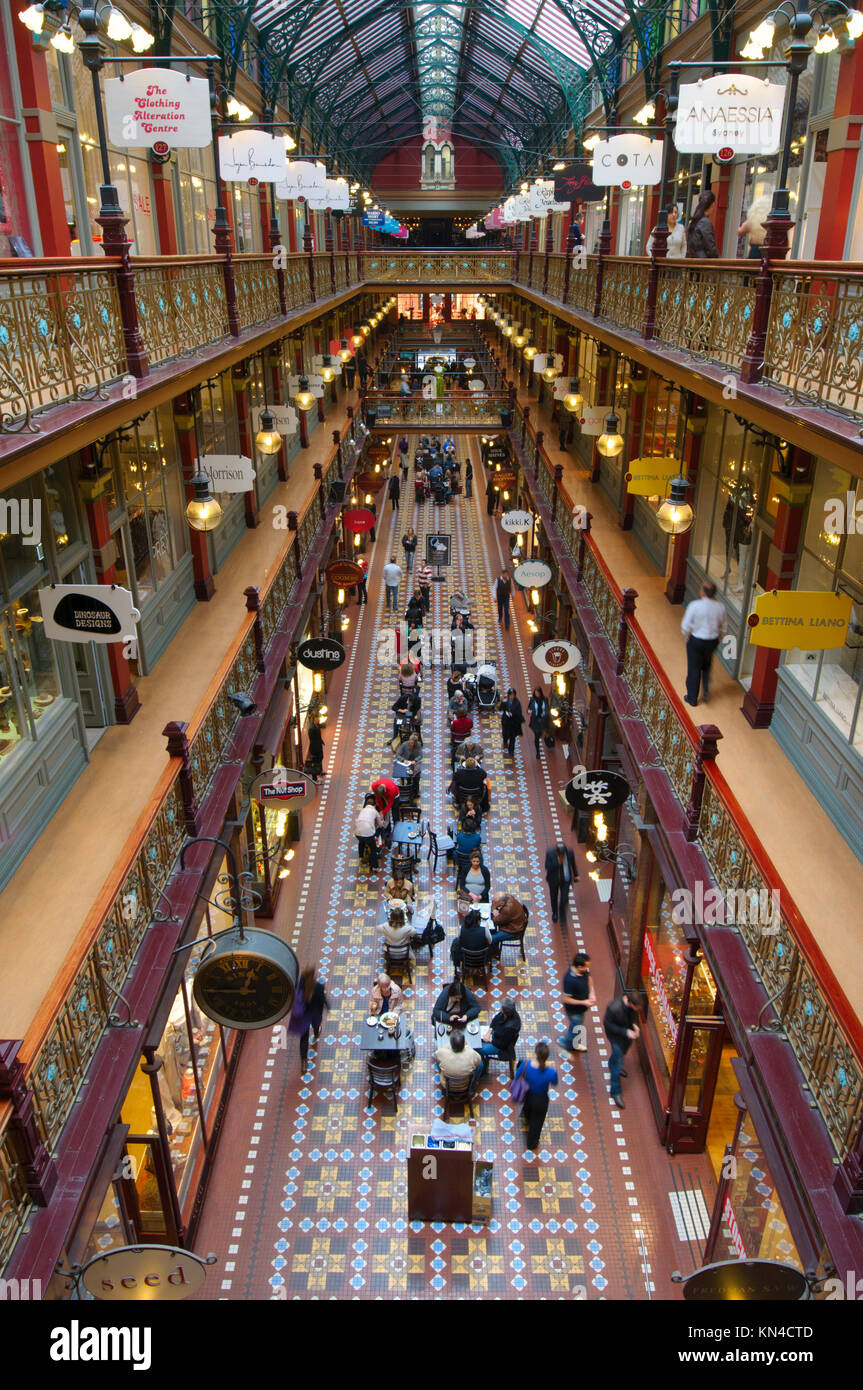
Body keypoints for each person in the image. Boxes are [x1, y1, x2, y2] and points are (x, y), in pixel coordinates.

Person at [681, 580, 728, 706]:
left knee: (694, 668)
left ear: (703, 592)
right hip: (712, 641)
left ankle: (692, 698)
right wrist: (718, 639)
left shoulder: (695, 606)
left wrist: (687, 636)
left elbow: (685, 626)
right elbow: (724, 627)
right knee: (707, 665)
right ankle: (705, 691)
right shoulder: (721, 607)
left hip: (696, 640)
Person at [518, 1042, 558, 1152]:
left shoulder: (526, 1065)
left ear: (535, 1053)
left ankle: (526, 1118)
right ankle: (531, 1144)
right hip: (541, 1099)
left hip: (528, 1095)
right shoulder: (551, 1072)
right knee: (537, 1122)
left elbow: (517, 1076)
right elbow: (554, 1083)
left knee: (528, 1109)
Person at [604, 990, 641, 1108]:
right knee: (618, 1062)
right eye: (636, 1007)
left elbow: (634, 1015)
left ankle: (612, 1063)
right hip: (616, 1037)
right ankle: (615, 1092)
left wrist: (635, 1025)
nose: (636, 1009)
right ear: (630, 1003)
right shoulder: (614, 1008)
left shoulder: (632, 1006)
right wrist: (626, 1032)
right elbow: (608, 1025)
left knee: (618, 1056)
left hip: (626, 1037)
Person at [288, 965, 331, 1065]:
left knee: (304, 1038)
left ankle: (304, 1061)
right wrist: (327, 1007)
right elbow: (322, 999)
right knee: (316, 1025)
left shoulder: (299, 985)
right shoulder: (318, 986)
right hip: (315, 1013)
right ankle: (316, 1033)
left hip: (303, 1015)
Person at [559, 951, 595, 1052]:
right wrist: (584, 1002)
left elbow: (589, 978)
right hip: (574, 1011)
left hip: (581, 1009)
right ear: (579, 967)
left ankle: (567, 1040)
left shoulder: (584, 972)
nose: (587, 968)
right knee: (576, 1027)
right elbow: (566, 999)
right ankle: (570, 1045)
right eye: (586, 967)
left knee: (577, 1026)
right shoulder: (569, 980)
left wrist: (592, 993)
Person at [479, 998, 522, 1073]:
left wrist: (490, 1040)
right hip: (496, 1037)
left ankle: (481, 1069)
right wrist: (489, 1032)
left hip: (499, 1046)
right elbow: (496, 1018)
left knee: (478, 1048)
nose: (500, 1009)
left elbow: (501, 1044)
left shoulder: (510, 1028)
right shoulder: (508, 1013)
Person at [545, 842, 578, 924]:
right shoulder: (550, 854)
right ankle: (555, 913)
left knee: (565, 898)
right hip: (554, 880)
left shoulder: (570, 853)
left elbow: (573, 864)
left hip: (566, 880)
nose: (562, 856)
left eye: (563, 854)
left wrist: (576, 874)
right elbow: (547, 867)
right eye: (560, 854)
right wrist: (557, 863)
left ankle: (562, 913)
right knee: (554, 897)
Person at [686, 189, 719, 258]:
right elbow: (710, 246)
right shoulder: (705, 222)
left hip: (694, 259)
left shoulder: (696, 219)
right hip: (703, 261)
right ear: (713, 204)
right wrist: (718, 259)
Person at [737, 193, 771, 258]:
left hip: (755, 254)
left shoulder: (752, 221)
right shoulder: (772, 221)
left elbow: (740, 232)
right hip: (770, 255)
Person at [355, 794, 383, 872]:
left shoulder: (362, 810)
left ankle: (361, 858)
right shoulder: (375, 811)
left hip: (357, 832)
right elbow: (380, 824)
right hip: (368, 834)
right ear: (374, 805)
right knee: (373, 849)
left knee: (361, 842)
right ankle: (375, 867)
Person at [500, 688, 524, 756]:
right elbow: (500, 709)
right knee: (505, 733)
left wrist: (513, 714)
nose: (511, 697)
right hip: (506, 722)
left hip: (513, 723)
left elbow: (519, 712)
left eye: (513, 695)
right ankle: (505, 740)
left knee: (512, 737)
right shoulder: (505, 700)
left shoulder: (517, 703)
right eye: (510, 695)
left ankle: (511, 750)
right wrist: (503, 702)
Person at [527, 686, 550, 759]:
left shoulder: (545, 699)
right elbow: (529, 708)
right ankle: (538, 752)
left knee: (540, 733)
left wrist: (546, 715)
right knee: (536, 735)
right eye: (535, 693)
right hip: (535, 720)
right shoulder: (532, 699)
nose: (537, 694)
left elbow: (547, 708)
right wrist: (529, 711)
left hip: (543, 720)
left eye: (538, 693)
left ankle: (544, 736)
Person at [306, 714, 324, 782]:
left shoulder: (317, 726)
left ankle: (319, 772)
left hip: (318, 746)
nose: (319, 719)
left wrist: (321, 741)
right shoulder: (312, 728)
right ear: (314, 719)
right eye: (317, 718)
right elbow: (312, 739)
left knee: (319, 759)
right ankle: (315, 777)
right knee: (315, 762)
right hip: (315, 748)